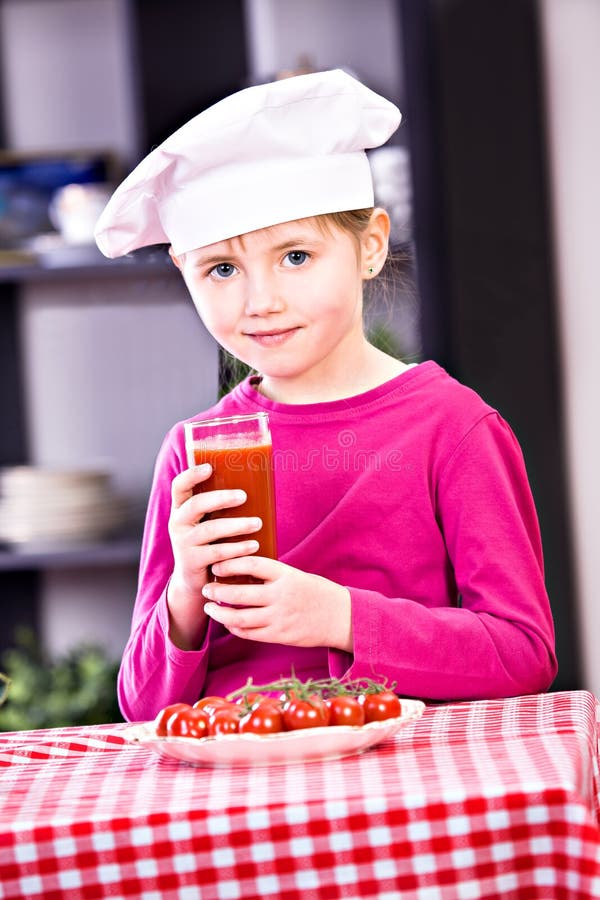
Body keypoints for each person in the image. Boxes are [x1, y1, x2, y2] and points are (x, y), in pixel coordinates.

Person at [95, 69, 557, 722]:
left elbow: (522, 654)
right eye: (222, 269)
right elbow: (145, 707)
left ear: (369, 245)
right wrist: (185, 594)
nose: (262, 302)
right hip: (244, 801)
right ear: (184, 271)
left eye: (296, 257)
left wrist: (339, 617)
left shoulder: (451, 427)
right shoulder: (193, 453)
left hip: (406, 788)